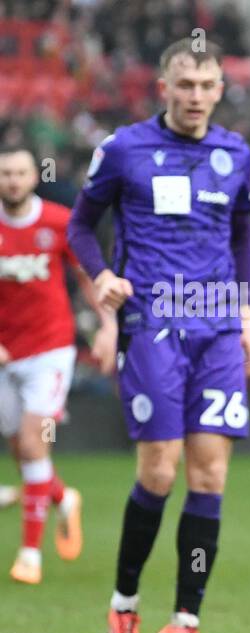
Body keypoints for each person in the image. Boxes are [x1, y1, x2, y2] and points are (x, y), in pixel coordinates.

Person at [66, 39, 250, 633]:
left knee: (209, 479)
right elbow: (79, 225)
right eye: (186, 85)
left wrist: (248, 317)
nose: (197, 96)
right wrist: (100, 280)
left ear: (219, 90)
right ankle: (124, 607)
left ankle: (186, 624)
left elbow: (242, 235)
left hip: (218, 329)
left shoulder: (235, 153)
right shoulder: (124, 149)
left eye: (207, 85)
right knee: (159, 472)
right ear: (164, 88)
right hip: (153, 324)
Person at [0, 146, 111, 583]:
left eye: (20, 172)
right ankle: (63, 499)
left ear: (33, 177)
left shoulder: (59, 222)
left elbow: (88, 277)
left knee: (31, 441)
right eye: (5, 173)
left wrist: (107, 326)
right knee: (20, 446)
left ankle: (31, 554)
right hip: (5, 354)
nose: (12, 180)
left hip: (50, 350)